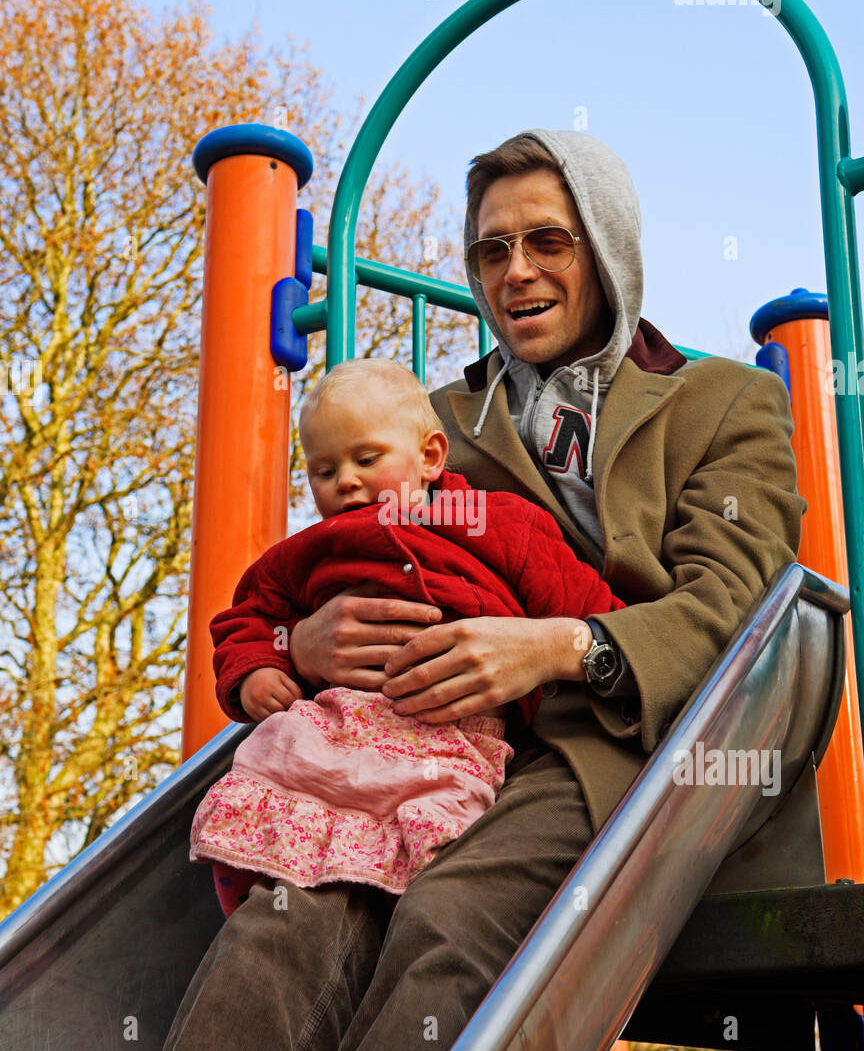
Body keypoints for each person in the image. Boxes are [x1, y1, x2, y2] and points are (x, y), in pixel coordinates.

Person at [128, 129, 804, 1051]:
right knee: (283, 918)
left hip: (620, 738)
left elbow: (735, 607)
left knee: (451, 918)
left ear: (609, 249)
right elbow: (311, 564)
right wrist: (301, 645)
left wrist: (558, 647)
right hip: (417, 735)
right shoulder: (428, 421)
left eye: (548, 241)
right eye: (491, 250)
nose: (516, 271)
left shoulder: (723, 403)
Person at [188, 357, 624, 915]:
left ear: (429, 457)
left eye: (366, 459)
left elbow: (589, 608)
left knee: (443, 805)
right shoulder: (308, 552)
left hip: (452, 727)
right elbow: (245, 618)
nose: (345, 480)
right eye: (323, 471)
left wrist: (612, 644)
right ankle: (251, 865)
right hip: (338, 719)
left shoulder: (500, 524)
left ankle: (410, 890)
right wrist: (264, 665)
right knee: (280, 753)